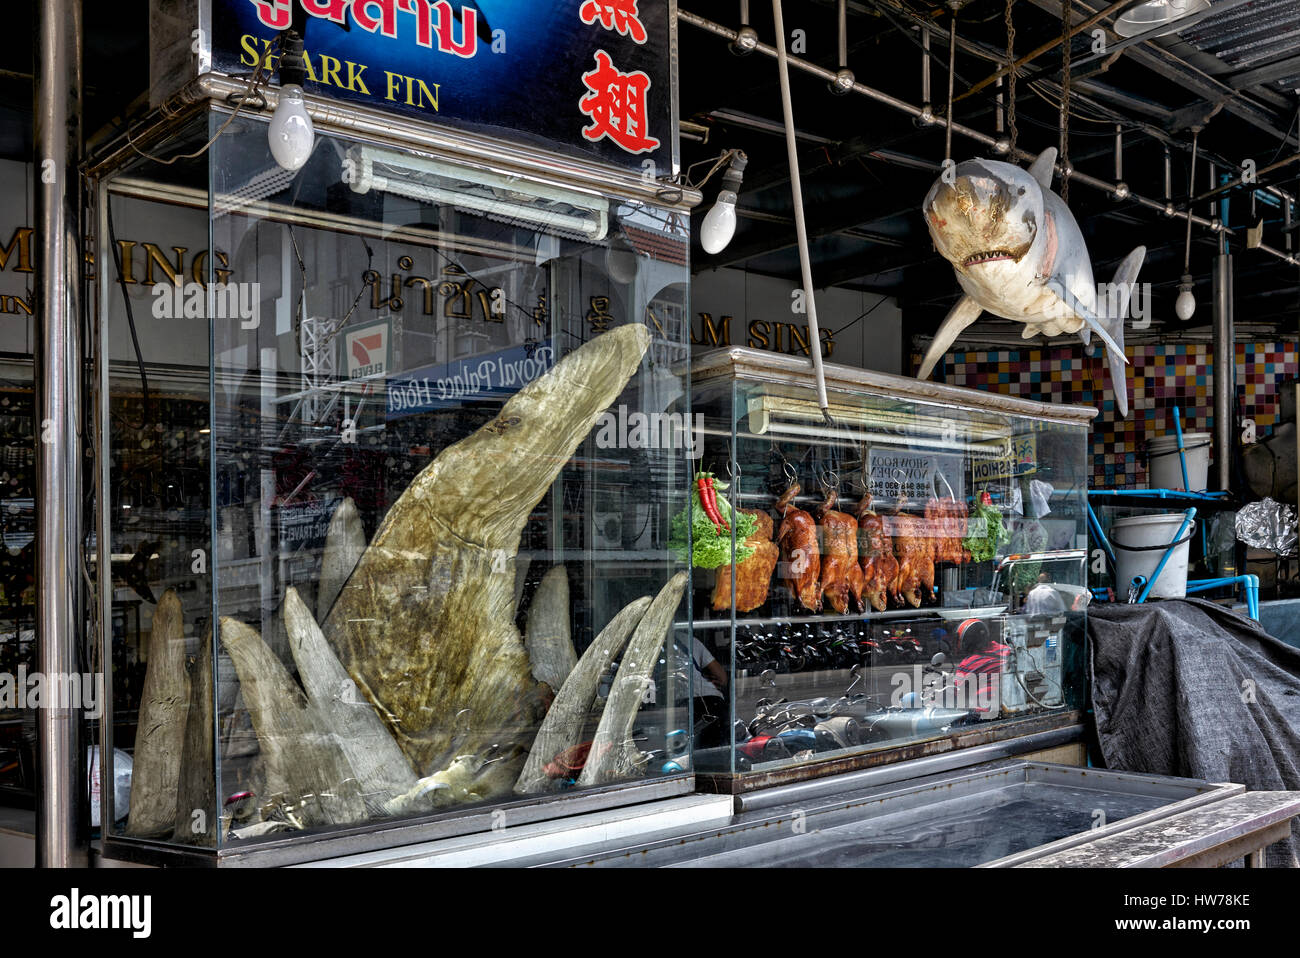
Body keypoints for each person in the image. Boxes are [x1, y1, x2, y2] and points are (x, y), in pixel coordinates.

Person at [954, 617, 1010, 716]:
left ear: (966, 640)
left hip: (984, 714)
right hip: (1011, 707)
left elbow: (957, 693)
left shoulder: (968, 664)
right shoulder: (1006, 650)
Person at [685, 637, 728, 749]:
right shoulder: (691, 641)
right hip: (708, 700)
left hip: (686, 701)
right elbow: (721, 677)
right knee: (713, 751)